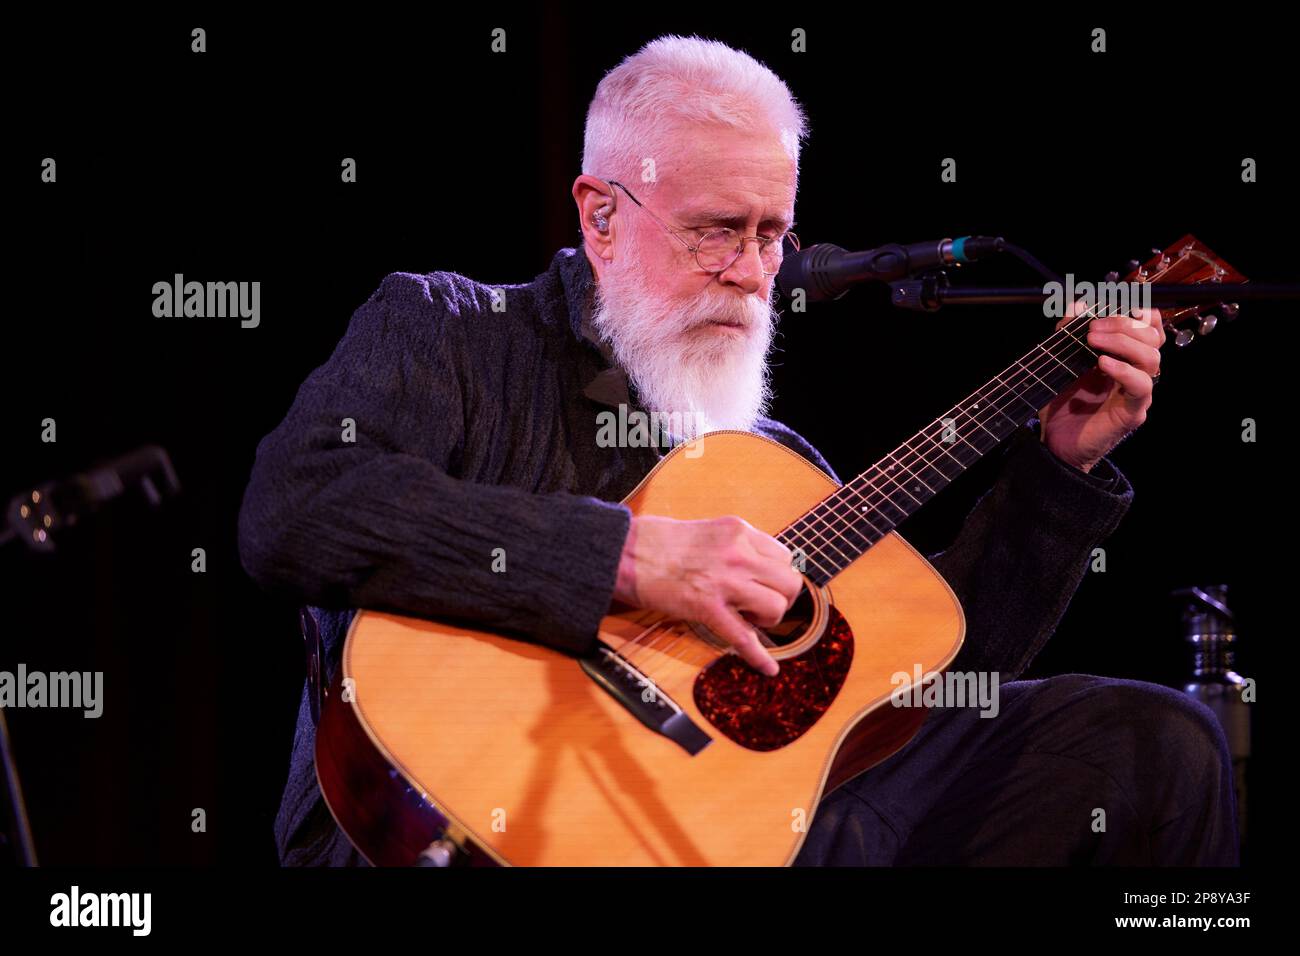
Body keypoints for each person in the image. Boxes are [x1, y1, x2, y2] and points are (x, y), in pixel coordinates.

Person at [237, 35, 1237, 866]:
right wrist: (632, 561)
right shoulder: (452, 332)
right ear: (600, 216)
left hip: (756, 824)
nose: (754, 275)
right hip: (435, 817)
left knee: (1155, 743)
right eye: (717, 234)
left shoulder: (770, 460)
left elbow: (914, 690)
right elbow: (298, 505)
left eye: (773, 235)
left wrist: (1054, 469)